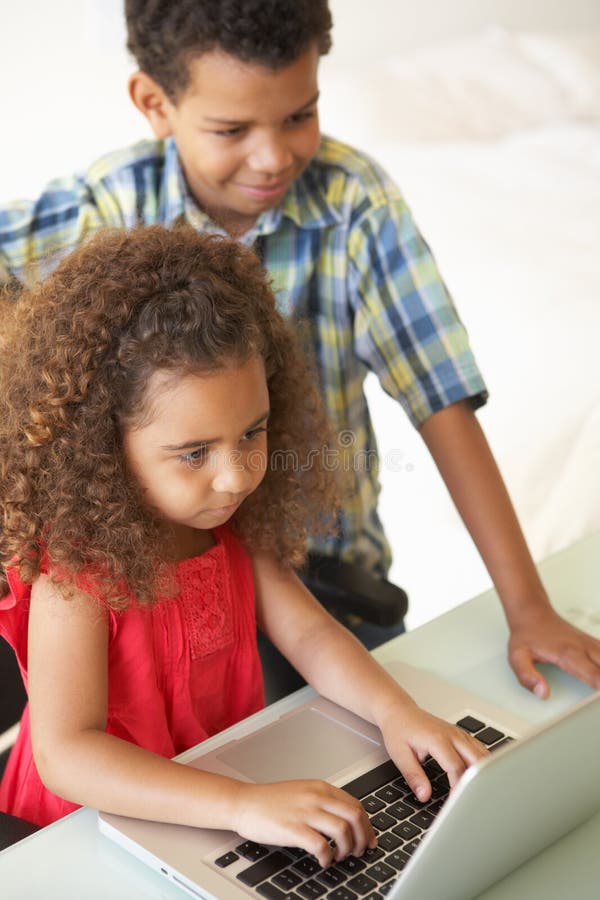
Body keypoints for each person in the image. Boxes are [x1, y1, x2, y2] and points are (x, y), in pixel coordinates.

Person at [1, 1, 599, 700]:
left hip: (326, 582)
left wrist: (526, 608)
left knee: (382, 754)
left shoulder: (353, 202)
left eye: (299, 115)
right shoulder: (106, 205)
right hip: (152, 591)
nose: (274, 155)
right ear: (155, 102)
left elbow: (441, 400)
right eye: (231, 128)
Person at [0, 225, 487, 854]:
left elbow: (310, 636)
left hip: (219, 807)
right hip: (84, 833)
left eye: (252, 433)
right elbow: (69, 755)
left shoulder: (229, 528)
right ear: (102, 449)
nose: (236, 477)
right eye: (195, 452)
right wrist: (241, 805)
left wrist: (398, 712)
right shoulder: (77, 574)